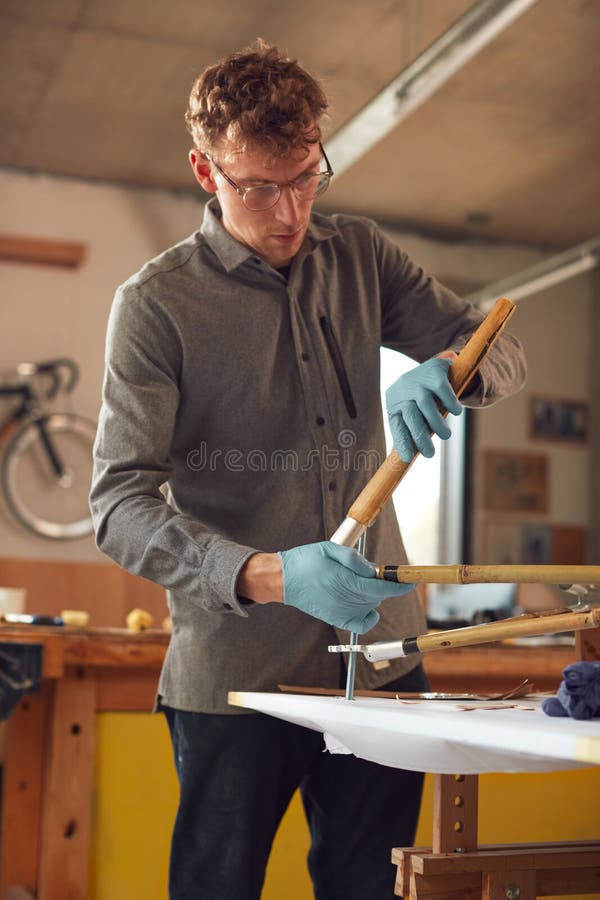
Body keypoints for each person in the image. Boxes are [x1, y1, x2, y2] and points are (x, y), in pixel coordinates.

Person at [90, 39, 526, 900]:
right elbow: (118, 503)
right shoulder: (154, 305)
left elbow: (501, 346)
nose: (289, 211)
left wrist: (454, 369)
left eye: (305, 177)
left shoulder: (362, 254)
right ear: (205, 172)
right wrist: (267, 574)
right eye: (258, 186)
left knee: (374, 887)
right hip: (235, 681)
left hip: (385, 661)